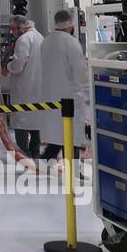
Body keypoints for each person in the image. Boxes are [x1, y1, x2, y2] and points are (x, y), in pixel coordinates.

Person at [39, 9, 91, 159]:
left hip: (51, 98)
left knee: (58, 137)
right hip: (71, 98)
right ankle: (72, 173)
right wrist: (89, 96)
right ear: (70, 24)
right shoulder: (71, 42)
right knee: (70, 137)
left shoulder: (46, 41)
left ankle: (45, 163)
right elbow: (81, 73)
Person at [3, 15, 44, 157]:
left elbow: (18, 64)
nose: (12, 32)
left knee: (21, 121)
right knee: (36, 122)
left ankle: (23, 154)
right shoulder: (39, 37)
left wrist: (7, 67)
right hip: (37, 87)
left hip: (24, 87)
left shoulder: (24, 39)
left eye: (14, 29)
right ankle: (35, 153)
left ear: (22, 27)